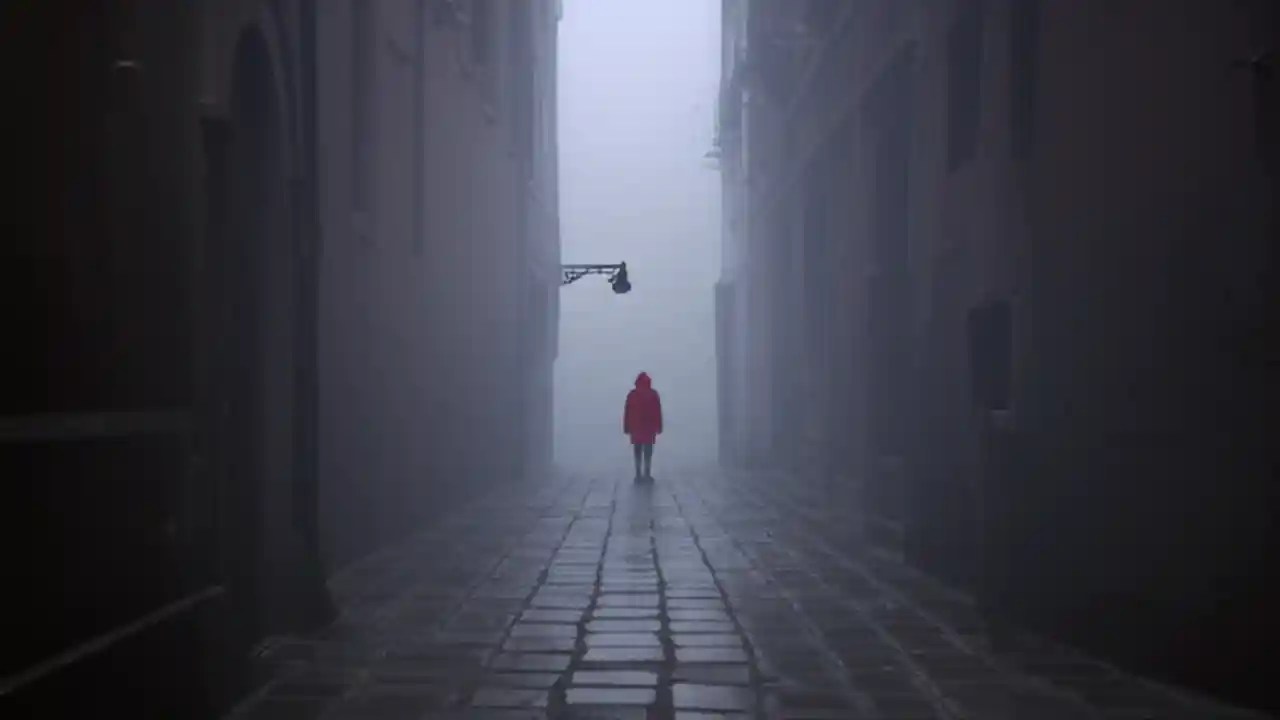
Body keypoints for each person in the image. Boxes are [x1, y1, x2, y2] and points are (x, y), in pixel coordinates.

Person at [623, 372, 663, 481]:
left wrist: (626, 427)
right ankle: (647, 474)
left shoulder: (632, 395)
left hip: (636, 428)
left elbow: (627, 412)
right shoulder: (653, 394)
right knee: (648, 453)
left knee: (637, 451)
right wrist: (659, 426)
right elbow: (657, 412)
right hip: (649, 429)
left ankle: (638, 474)